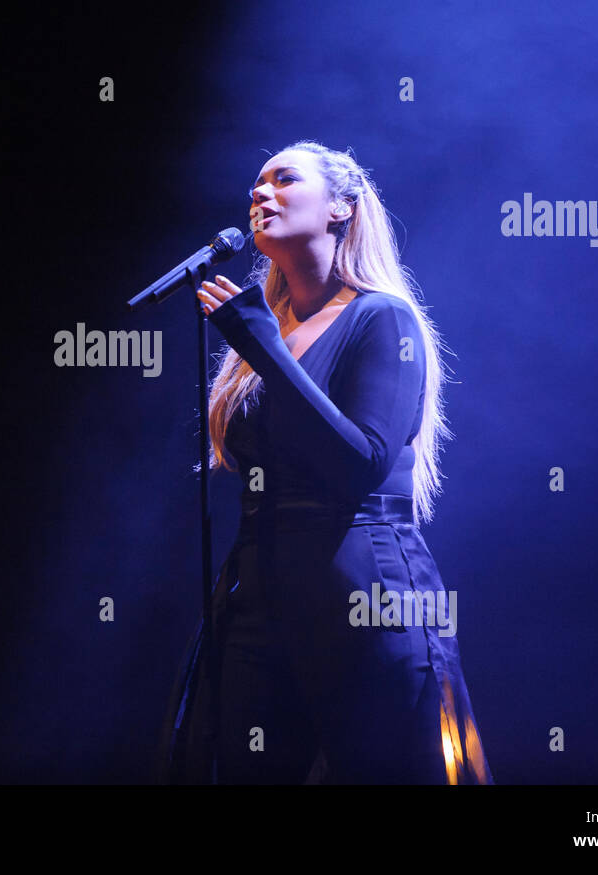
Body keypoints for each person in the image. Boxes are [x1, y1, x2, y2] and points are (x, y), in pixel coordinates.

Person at [156, 141, 494, 784]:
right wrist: (262, 343)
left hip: (362, 593)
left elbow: (361, 462)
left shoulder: (382, 318)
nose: (259, 194)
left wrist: (263, 347)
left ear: (341, 206)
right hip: (257, 596)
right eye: (254, 184)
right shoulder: (267, 325)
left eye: (283, 179)